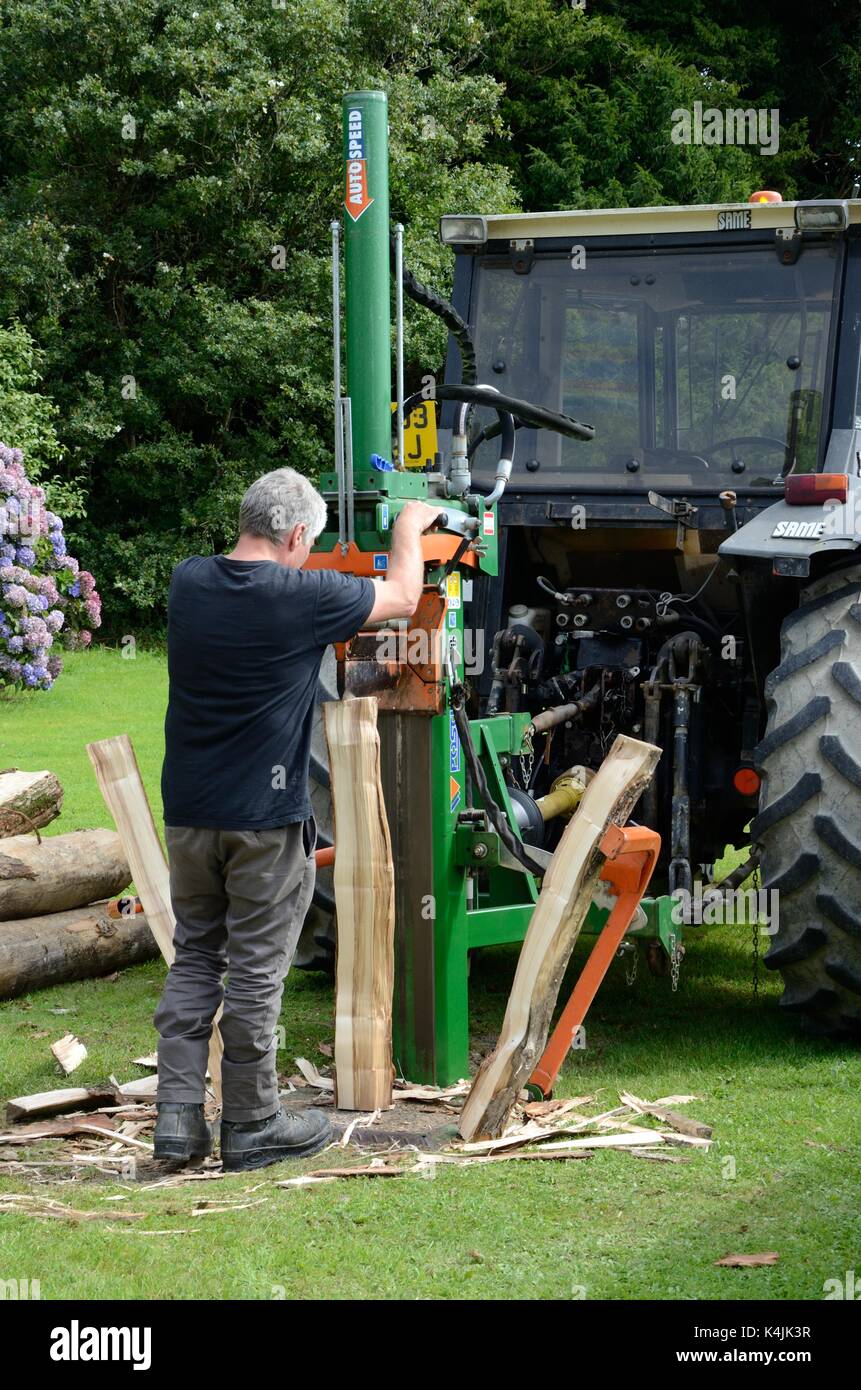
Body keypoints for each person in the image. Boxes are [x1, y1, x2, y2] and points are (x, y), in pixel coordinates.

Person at [153, 466, 440, 1170]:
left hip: (190, 812)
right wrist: (410, 527)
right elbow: (404, 596)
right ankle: (252, 1124)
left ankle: (177, 1123)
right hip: (264, 819)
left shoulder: (189, 581)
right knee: (254, 972)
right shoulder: (303, 595)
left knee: (196, 957)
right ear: (298, 536)